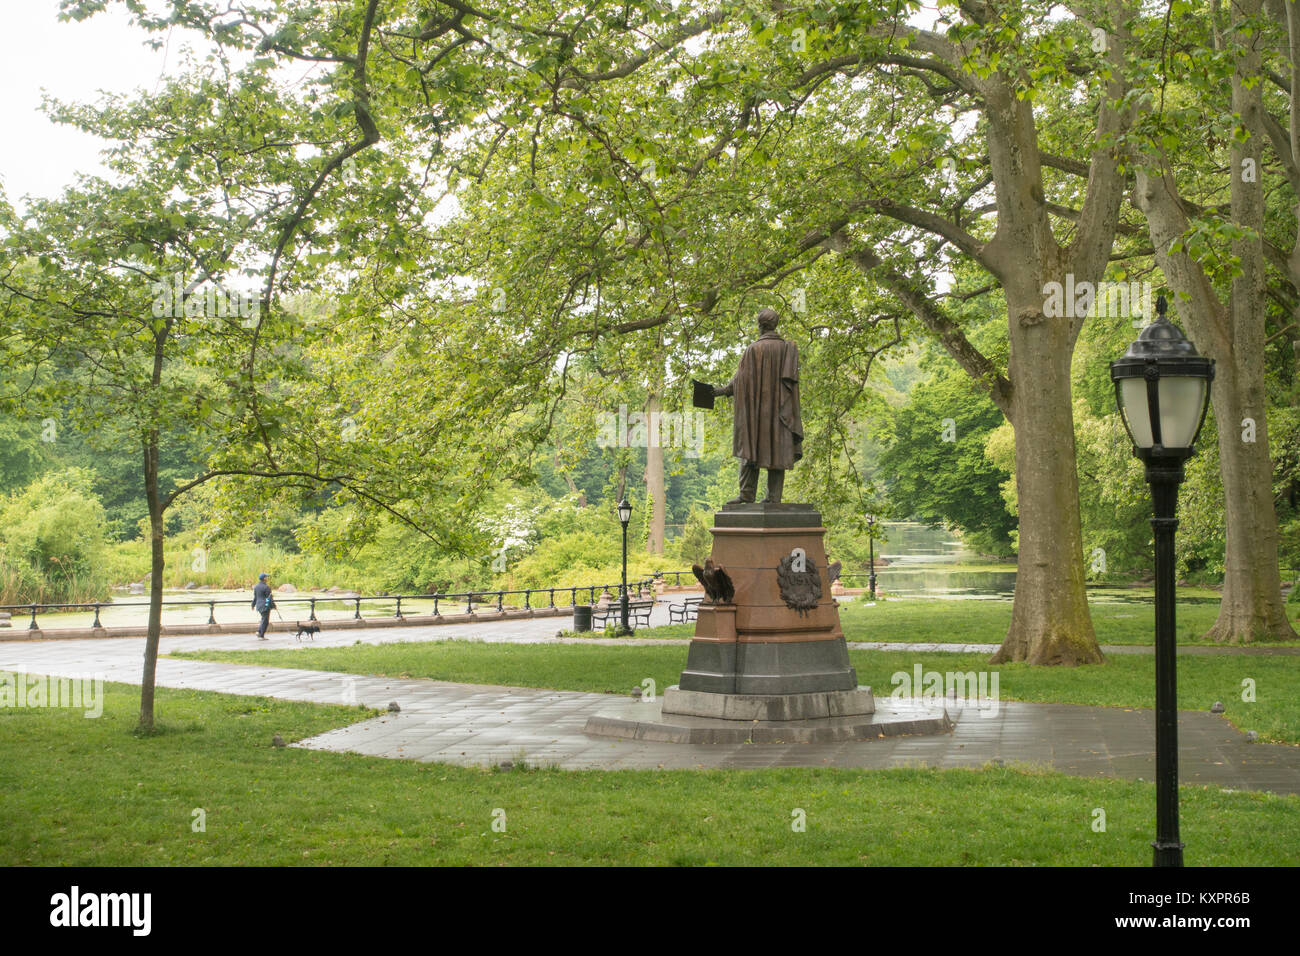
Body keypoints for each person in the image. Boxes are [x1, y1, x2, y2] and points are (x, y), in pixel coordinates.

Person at [713, 307, 803, 505]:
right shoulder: (787, 349)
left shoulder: (753, 350)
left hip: (757, 415)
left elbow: (738, 382)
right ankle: (774, 497)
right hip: (781, 413)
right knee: (778, 449)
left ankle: (746, 494)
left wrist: (718, 392)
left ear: (760, 326)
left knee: (749, 447)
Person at [252, 572, 275, 640]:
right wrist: (273, 606)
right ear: (264, 578)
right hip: (265, 606)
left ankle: (259, 631)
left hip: (258, 605)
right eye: (266, 577)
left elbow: (255, 597)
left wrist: (253, 605)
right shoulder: (266, 587)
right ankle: (261, 635)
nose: (267, 578)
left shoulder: (256, 587)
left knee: (263, 619)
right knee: (265, 621)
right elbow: (269, 598)